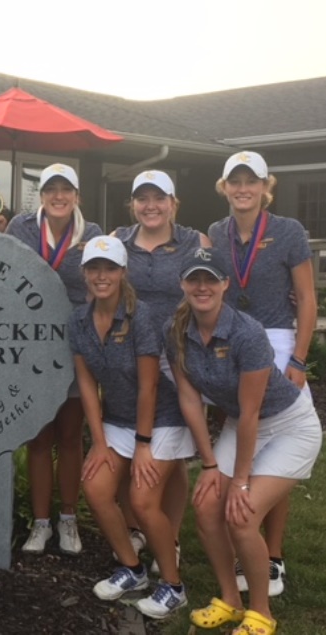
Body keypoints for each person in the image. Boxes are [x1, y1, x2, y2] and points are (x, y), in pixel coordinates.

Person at [166, 247, 321, 635]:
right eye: (194, 279)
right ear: (182, 283)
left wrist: (240, 480)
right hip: (242, 425)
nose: (201, 287)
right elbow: (188, 398)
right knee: (205, 509)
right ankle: (230, 600)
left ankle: (261, 612)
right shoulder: (177, 331)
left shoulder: (247, 333)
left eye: (210, 279)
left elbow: (251, 412)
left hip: (290, 426)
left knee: (242, 514)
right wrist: (210, 466)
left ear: (225, 284)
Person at [208, 151, 316, 596]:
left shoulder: (289, 231)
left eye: (250, 181)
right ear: (225, 187)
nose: (242, 189)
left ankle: (272, 555)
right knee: (246, 426)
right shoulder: (217, 232)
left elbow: (307, 298)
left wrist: (299, 359)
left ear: (265, 186)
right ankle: (244, 540)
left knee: (278, 438)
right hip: (235, 342)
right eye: (235, 181)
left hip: (278, 342)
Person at [72, 236, 194, 618]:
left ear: (123, 273)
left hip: (163, 419)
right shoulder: (77, 320)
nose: (101, 276)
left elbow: (150, 385)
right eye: (94, 268)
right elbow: (88, 385)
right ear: (85, 273)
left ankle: (173, 587)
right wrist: (99, 441)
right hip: (117, 419)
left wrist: (143, 444)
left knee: (142, 502)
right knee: (94, 487)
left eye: (109, 268)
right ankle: (133, 568)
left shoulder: (142, 317)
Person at [111, 170, 210, 568]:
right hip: (128, 355)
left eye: (159, 198)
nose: (150, 206)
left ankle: (169, 535)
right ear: (132, 203)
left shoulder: (194, 241)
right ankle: (136, 527)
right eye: (142, 198)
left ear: (173, 202)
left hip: (178, 357)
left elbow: (215, 289)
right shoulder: (118, 241)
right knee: (126, 438)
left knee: (176, 451)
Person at [6, 163, 102, 555]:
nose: (58, 196)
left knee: (69, 436)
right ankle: (40, 523)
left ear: (77, 196)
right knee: (39, 438)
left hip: (75, 345)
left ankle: (68, 520)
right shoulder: (21, 229)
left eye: (66, 189)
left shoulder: (92, 234)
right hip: (30, 347)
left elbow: (102, 287)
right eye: (51, 189)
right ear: (41, 195)